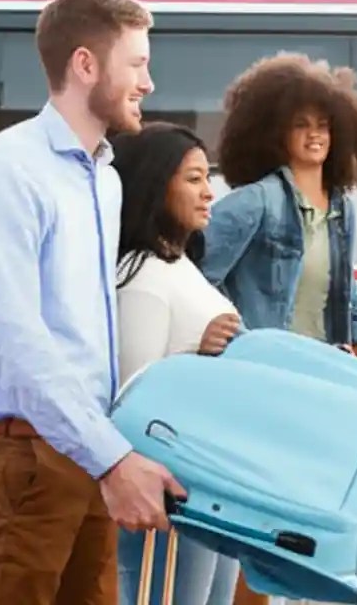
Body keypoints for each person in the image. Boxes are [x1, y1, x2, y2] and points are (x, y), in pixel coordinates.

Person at [0, 0, 186, 605]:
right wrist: (112, 460)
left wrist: (110, 448)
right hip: (25, 456)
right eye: (136, 64)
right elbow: (14, 340)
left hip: (85, 444)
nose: (149, 82)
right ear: (85, 65)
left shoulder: (104, 179)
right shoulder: (7, 168)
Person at [198, 52, 357, 605]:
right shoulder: (254, 203)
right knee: (265, 503)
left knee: (307, 500)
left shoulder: (340, 205)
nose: (315, 136)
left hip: (319, 372)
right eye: (301, 124)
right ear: (273, 132)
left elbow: (345, 282)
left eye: (324, 125)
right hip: (266, 376)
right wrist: (225, 331)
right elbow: (197, 278)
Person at [109, 122, 244, 605]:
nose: (210, 192)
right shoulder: (142, 275)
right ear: (153, 183)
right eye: (193, 179)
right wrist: (197, 354)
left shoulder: (177, 263)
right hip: (171, 490)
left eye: (208, 178)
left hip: (206, 485)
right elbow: (131, 401)